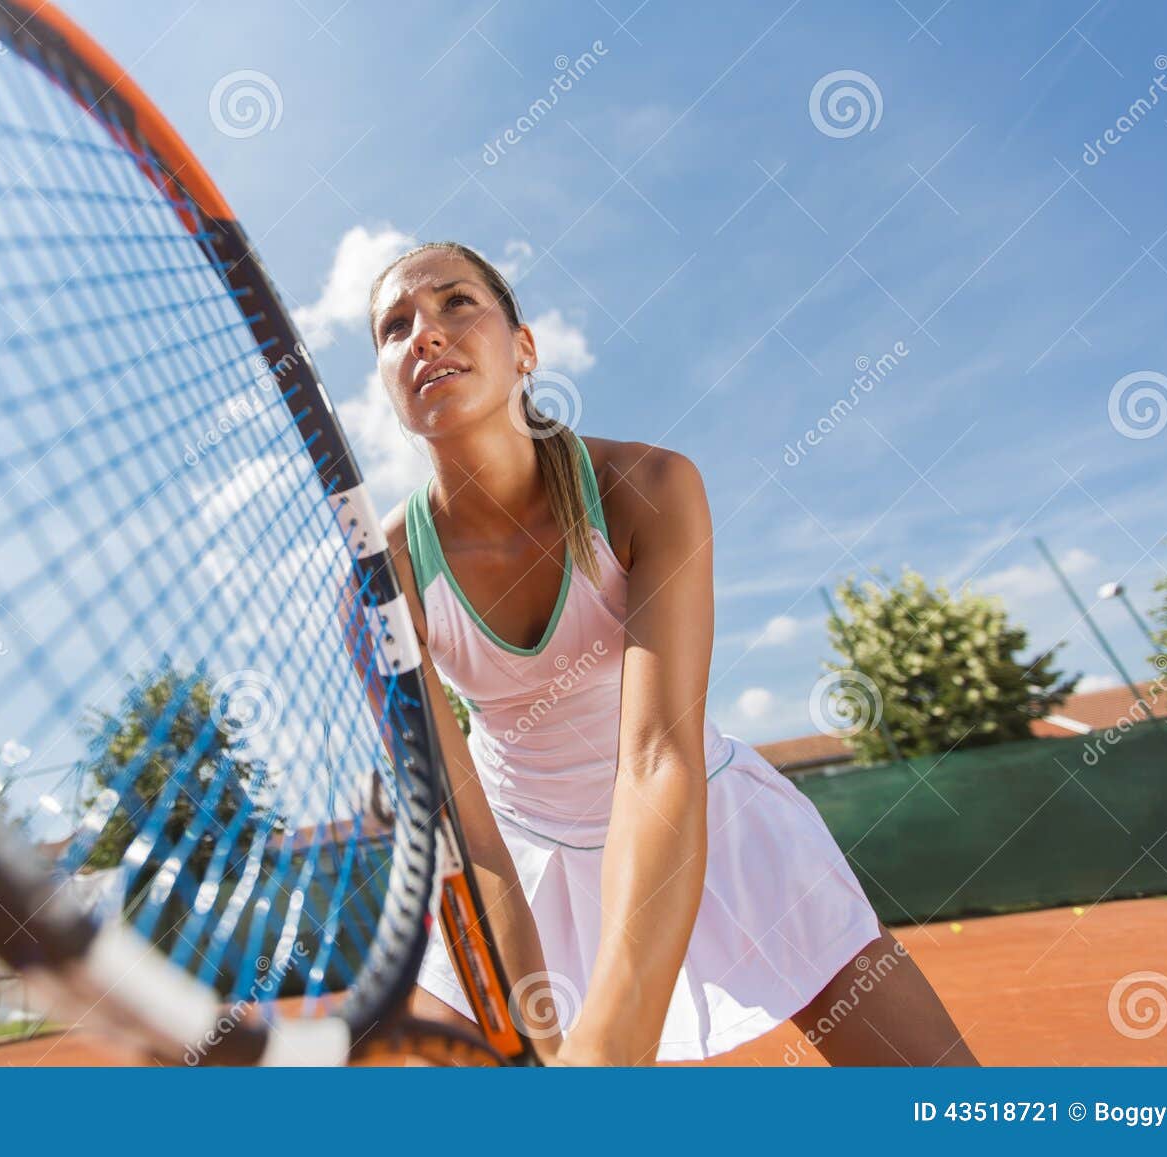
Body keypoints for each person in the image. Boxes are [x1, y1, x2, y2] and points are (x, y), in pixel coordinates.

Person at [366, 241, 977, 1066]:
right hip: (511, 859)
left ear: (525, 350)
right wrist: (542, 1043)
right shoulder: (381, 578)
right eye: (394, 327)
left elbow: (658, 756)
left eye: (455, 304)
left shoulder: (649, 487)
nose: (425, 335)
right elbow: (465, 827)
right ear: (387, 383)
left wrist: (610, 1044)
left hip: (702, 821)